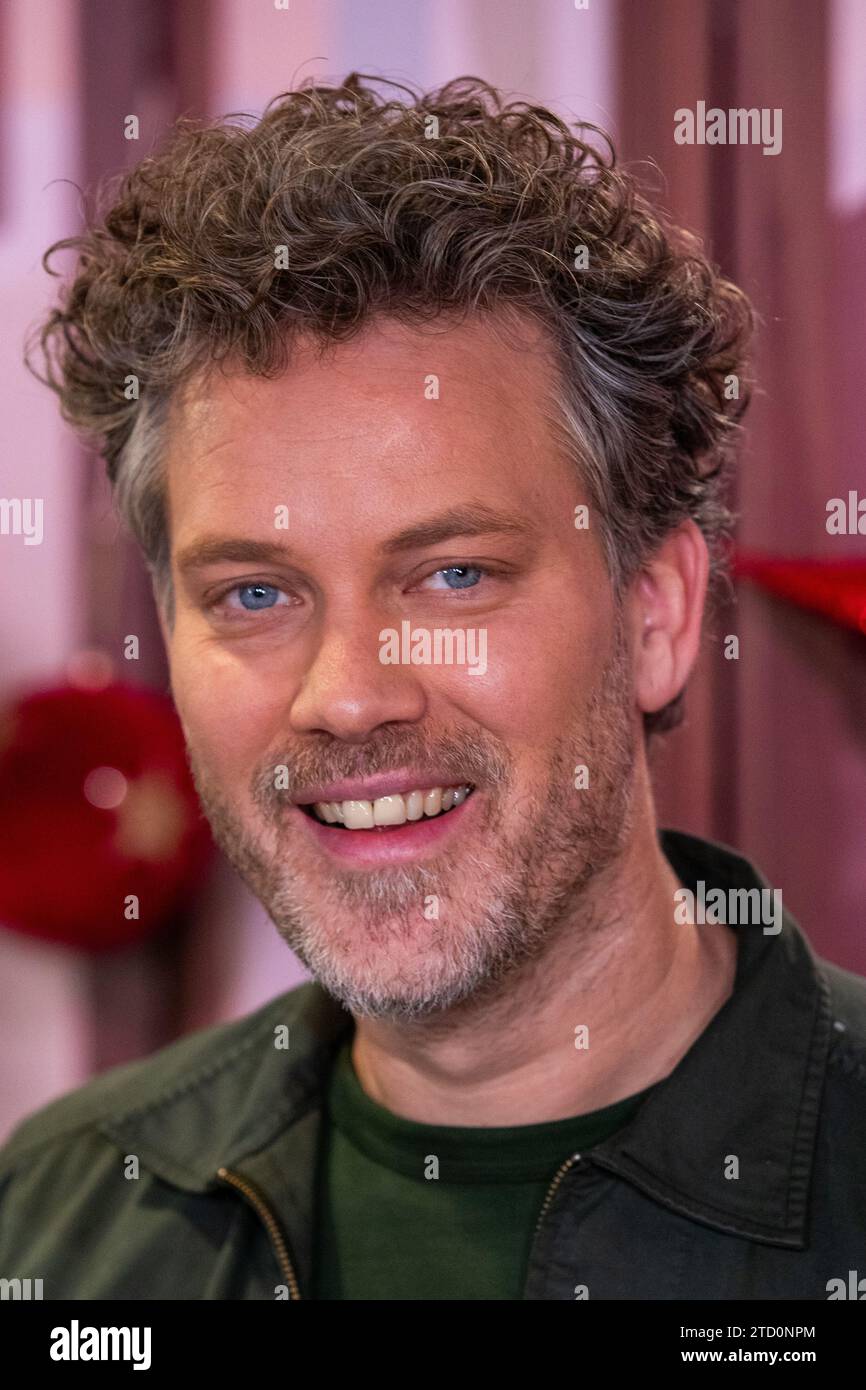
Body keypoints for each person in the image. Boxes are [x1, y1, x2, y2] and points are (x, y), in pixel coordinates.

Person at [1, 74, 864, 1301]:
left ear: (656, 613)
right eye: (255, 593)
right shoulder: (56, 1221)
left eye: (453, 575)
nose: (346, 698)